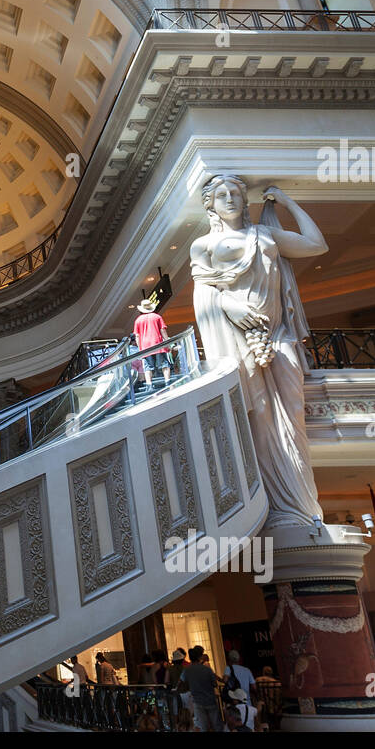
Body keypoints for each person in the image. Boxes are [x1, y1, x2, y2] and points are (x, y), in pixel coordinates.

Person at [190, 176, 328, 530]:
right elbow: (202, 297)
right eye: (222, 195)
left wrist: (286, 201)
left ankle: (302, 503)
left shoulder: (265, 237)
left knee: (293, 413)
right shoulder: (203, 245)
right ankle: (277, 506)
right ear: (210, 204)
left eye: (236, 193)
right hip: (240, 339)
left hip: (277, 336)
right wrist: (227, 305)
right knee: (260, 414)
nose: (231, 198)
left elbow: (316, 245)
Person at [178, 646, 224, 732]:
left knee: (202, 726)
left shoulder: (187, 670)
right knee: (216, 725)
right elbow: (214, 684)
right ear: (199, 657)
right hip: (210, 699)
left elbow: (180, 682)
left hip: (197, 701)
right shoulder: (207, 669)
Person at [132, 297, 172, 389]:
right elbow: (163, 331)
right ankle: (167, 382)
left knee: (147, 367)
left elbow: (137, 336)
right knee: (165, 364)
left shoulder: (138, 320)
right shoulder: (157, 317)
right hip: (158, 345)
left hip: (145, 347)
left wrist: (140, 348)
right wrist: (167, 343)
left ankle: (149, 385)